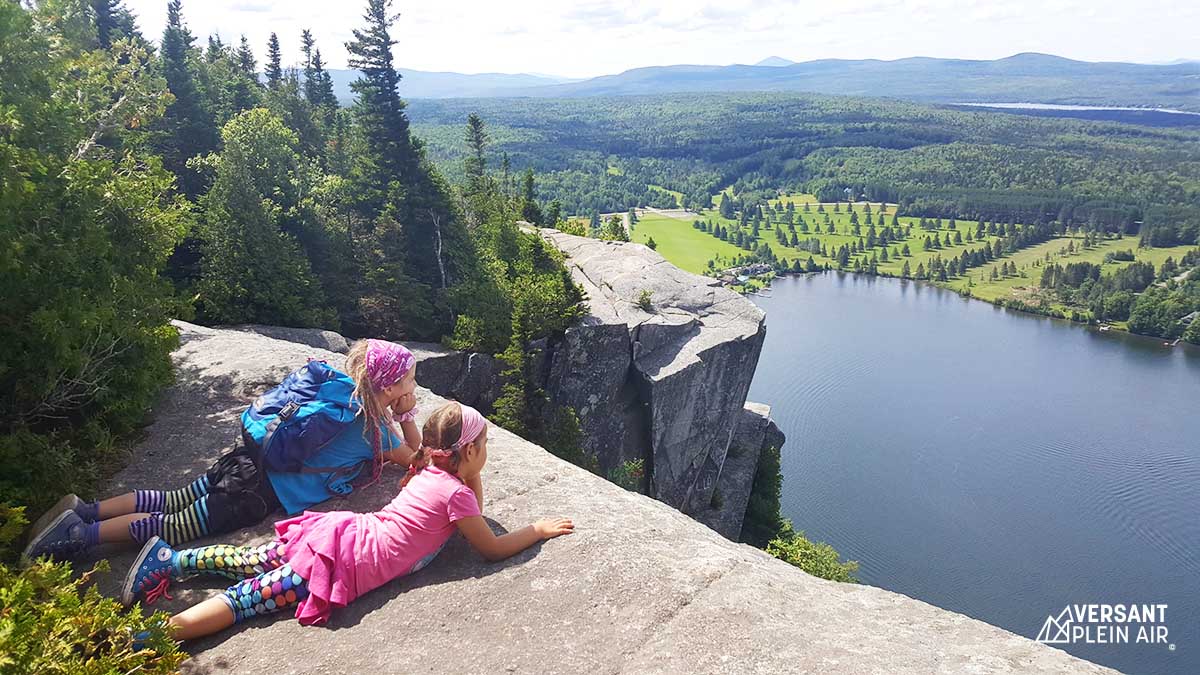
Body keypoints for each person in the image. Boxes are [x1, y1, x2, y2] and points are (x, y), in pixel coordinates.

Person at [120, 401, 573, 646]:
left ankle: (172, 559)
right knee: (246, 600)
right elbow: (489, 548)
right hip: (343, 562)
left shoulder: (427, 471)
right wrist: (534, 530)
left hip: (341, 533)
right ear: (469, 452)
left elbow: (467, 506)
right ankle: (148, 638)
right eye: (485, 444)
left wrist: (470, 472)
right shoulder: (455, 492)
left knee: (252, 560)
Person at [21, 339, 424, 564]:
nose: (412, 386)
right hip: (257, 493)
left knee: (173, 499)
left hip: (246, 456)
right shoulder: (372, 429)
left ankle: (89, 509)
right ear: (388, 387)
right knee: (174, 526)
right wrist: (409, 415)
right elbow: (414, 455)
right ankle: (78, 535)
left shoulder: (335, 386)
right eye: (409, 380)